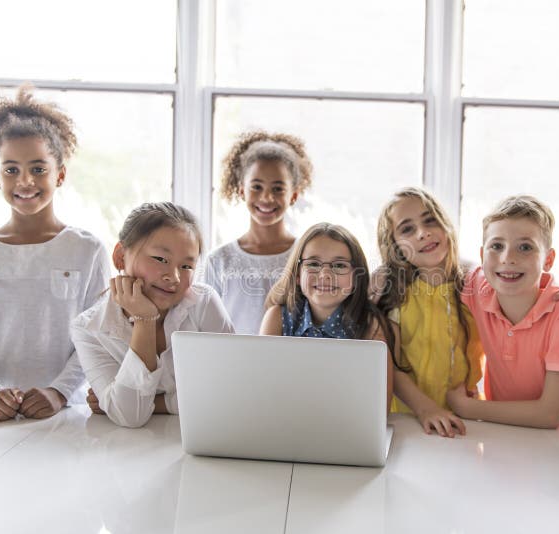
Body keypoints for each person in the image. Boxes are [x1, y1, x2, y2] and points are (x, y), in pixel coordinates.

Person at [0, 85, 109, 423]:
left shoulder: (86, 249)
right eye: (11, 170)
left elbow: (95, 336)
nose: (25, 181)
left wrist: (58, 391)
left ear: (59, 174)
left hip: (67, 414)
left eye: (38, 169)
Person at [71, 202, 234, 428]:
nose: (174, 277)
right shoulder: (89, 328)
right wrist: (144, 320)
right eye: (160, 259)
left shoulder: (203, 303)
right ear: (120, 256)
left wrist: (156, 404)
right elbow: (130, 416)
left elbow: (232, 392)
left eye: (187, 266)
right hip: (129, 451)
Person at [447, 195, 559, 428]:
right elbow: (439, 259)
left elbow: (549, 415)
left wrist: (467, 407)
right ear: (482, 255)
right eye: (496, 246)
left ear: (548, 260)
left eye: (525, 247)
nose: (508, 259)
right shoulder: (478, 288)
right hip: (504, 433)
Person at [375, 187, 484, 438]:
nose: (423, 233)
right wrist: (426, 409)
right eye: (407, 229)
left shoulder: (474, 284)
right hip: (408, 421)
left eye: (430, 220)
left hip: (467, 420)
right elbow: (392, 366)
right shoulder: (394, 296)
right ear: (396, 247)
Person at [260, 222, 397, 411]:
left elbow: (380, 407)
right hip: (283, 421)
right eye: (313, 264)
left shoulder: (369, 325)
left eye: (339, 265)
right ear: (298, 275)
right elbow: (261, 389)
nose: (325, 275)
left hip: (349, 426)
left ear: (356, 277)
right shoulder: (277, 318)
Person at [202, 131, 313, 334]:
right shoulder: (219, 260)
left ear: (294, 195)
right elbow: (204, 325)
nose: (267, 197)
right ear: (242, 190)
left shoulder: (306, 256)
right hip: (233, 363)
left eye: (278, 188)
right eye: (257, 187)